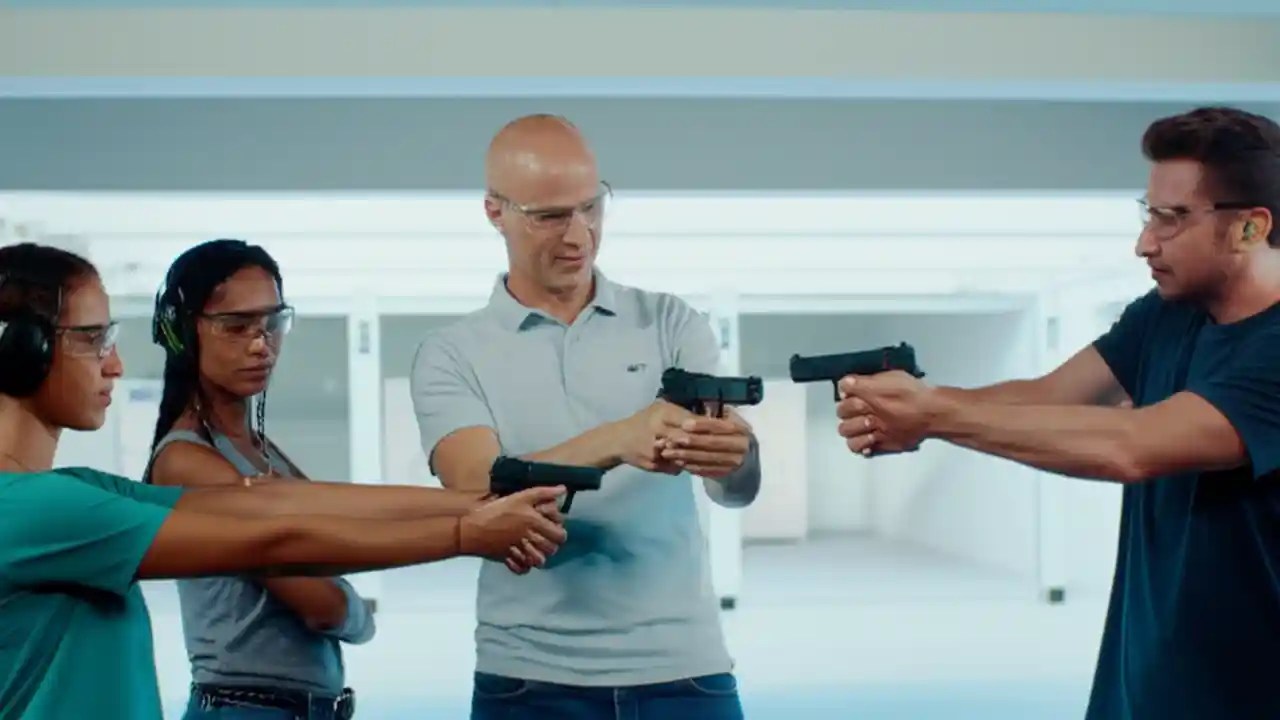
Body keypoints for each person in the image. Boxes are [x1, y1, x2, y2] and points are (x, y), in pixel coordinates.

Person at [832, 106, 1280, 720]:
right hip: (1144, 689)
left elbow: (1135, 446)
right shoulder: (1166, 314)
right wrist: (914, 408)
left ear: (1251, 229)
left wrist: (931, 414)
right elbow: (1052, 395)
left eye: (1172, 219)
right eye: (1148, 213)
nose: (1145, 241)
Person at [0, 241, 569, 720]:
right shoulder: (30, 508)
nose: (115, 363)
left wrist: (474, 499)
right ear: (21, 350)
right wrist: (467, 535)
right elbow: (276, 539)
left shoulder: (74, 489)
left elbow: (275, 505)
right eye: (92, 339)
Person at [409, 114, 762, 719]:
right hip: (526, 676)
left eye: (591, 208)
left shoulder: (672, 323)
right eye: (550, 216)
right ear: (495, 212)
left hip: (684, 668)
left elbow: (735, 491)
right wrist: (619, 438)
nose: (579, 235)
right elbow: (475, 487)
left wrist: (738, 457)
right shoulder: (451, 353)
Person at [142, 239, 375, 717]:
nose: (260, 343)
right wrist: (361, 614)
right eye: (236, 326)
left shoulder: (264, 454)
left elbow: (350, 533)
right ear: (184, 333)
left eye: (272, 322)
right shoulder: (190, 460)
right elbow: (323, 605)